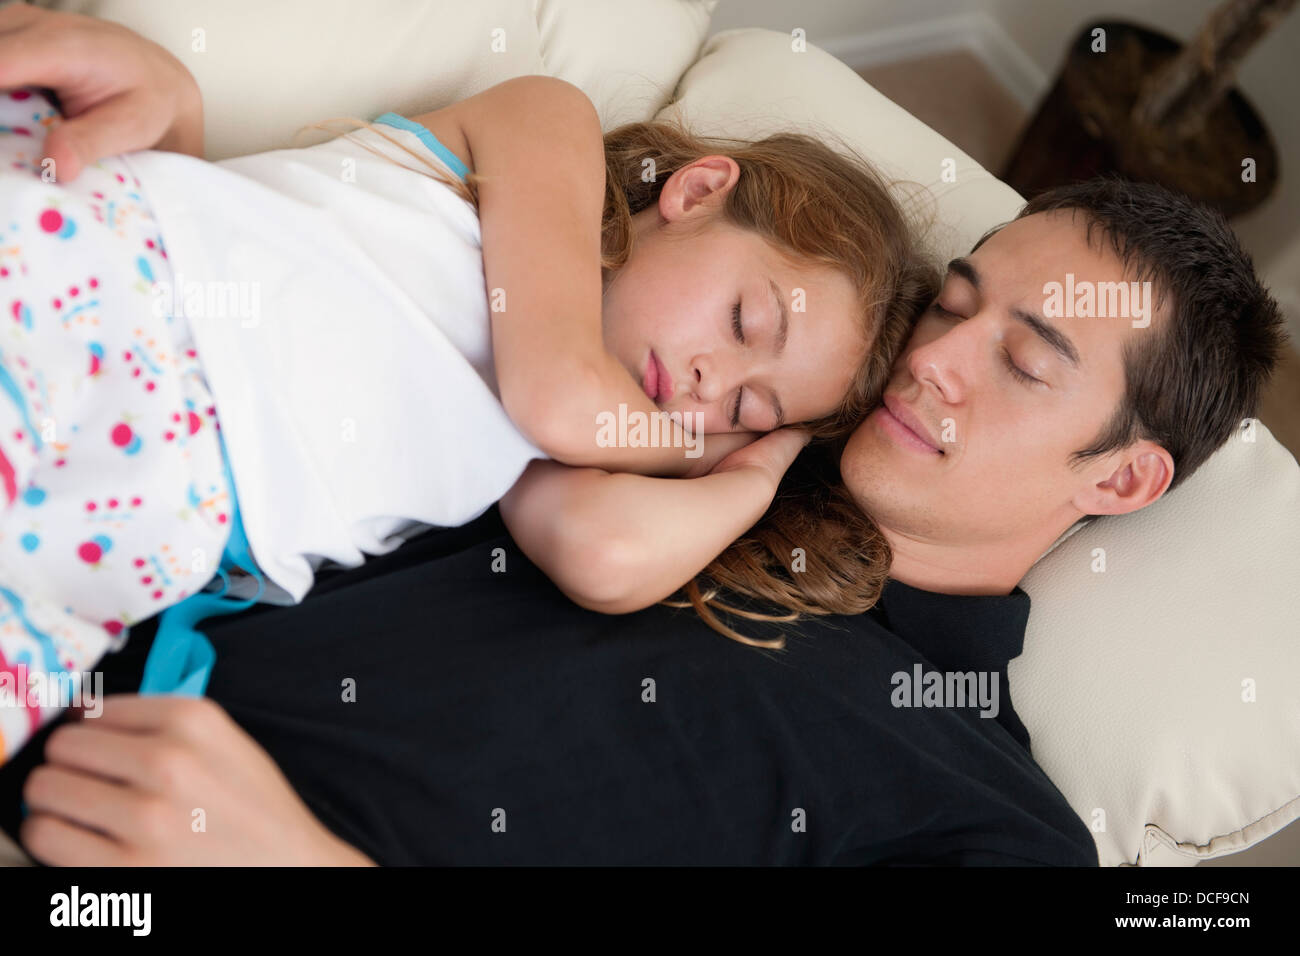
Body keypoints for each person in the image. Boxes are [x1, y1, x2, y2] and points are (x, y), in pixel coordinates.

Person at [2, 7, 1285, 866]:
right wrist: (184, 128)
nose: (937, 358)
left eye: (1021, 361)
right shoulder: (670, 407)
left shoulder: (965, 795)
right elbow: (343, 299)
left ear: (1122, 475)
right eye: (954, 302)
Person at [0, 4, 936, 764]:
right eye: (743, 322)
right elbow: (559, 394)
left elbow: (603, 554)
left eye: (745, 407)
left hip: (152, 515)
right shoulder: (546, 131)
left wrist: (759, 473)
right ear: (693, 194)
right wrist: (700, 440)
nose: (706, 384)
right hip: (118, 302)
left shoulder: (563, 455)